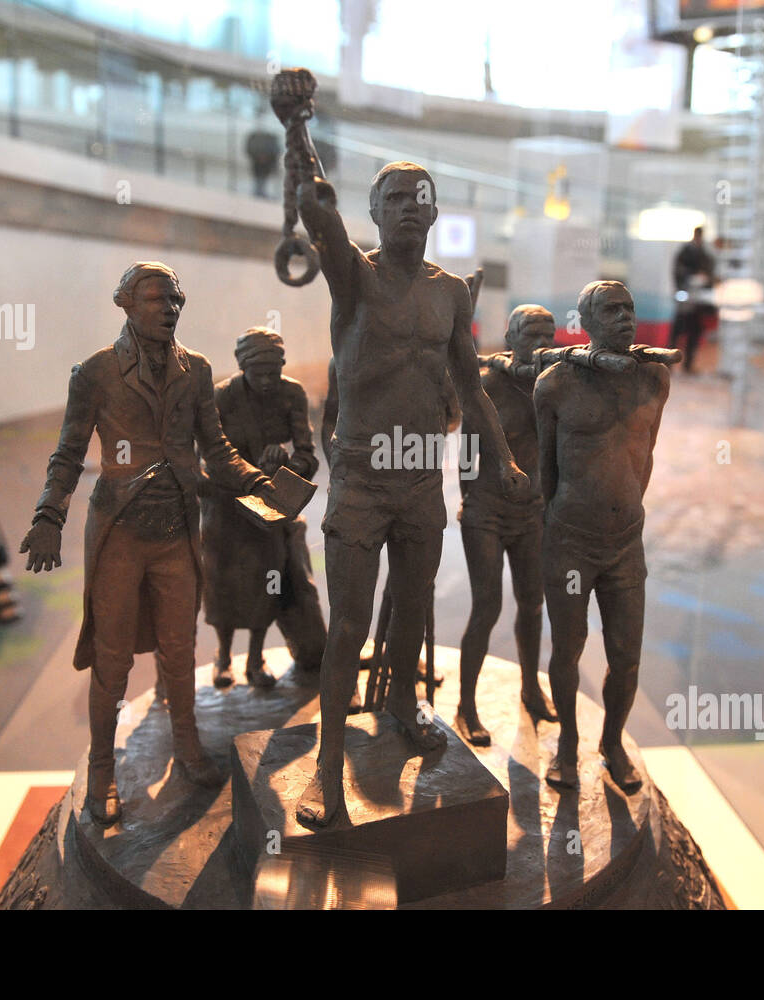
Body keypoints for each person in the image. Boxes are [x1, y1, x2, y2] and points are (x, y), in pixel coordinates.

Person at [293, 156, 529, 828]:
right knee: (348, 625)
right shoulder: (354, 277)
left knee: (413, 607)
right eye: (392, 196)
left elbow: (472, 385)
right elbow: (317, 214)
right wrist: (297, 132)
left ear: (432, 212)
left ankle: (400, 703)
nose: (406, 206)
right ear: (374, 209)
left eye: (417, 198)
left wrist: (503, 458)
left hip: (423, 472)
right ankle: (326, 761)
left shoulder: (451, 291)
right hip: (364, 476)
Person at [20, 262, 274, 826]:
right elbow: (68, 453)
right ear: (127, 305)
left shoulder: (197, 370)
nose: (170, 310)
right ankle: (103, 770)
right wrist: (48, 516)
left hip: (179, 533)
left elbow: (219, 450)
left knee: (180, 648)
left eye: (176, 302)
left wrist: (256, 480)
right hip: (120, 536)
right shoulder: (96, 372)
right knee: (110, 662)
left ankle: (187, 748)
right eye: (159, 300)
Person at [535, 281, 672, 793]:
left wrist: (625, 509)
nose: (625, 318)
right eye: (611, 310)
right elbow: (545, 469)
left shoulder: (654, 377)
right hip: (570, 539)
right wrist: (556, 523)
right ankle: (567, 742)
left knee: (626, 655)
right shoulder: (555, 385)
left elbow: (647, 453)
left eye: (629, 308)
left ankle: (611, 742)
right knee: (568, 647)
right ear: (586, 321)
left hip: (625, 543)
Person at [454, 305, 559, 747]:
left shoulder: (552, 386)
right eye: (531, 334)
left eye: (546, 336)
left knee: (533, 603)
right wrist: (473, 499)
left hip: (531, 511)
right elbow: (466, 457)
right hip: (487, 513)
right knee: (487, 606)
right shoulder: (490, 387)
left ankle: (532, 687)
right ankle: (466, 705)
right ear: (511, 336)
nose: (539, 343)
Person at [201, 327, 324, 688]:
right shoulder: (222, 397)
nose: (269, 380)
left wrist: (286, 462)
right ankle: (222, 657)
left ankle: (255, 659)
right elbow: (206, 457)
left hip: (268, 505)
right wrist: (247, 471)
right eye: (260, 373)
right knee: (222, 582)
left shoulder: (293, 393)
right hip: (224, 501)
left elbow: (308, 456)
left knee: (266, 582)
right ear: (242, 367)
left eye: (274, 371)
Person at [671, 225, 716, 373]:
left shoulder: (705, 254)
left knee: (694, 333)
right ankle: (669, 363)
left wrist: (705, 281)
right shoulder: (685, 252)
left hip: (698, 302)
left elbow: (709, 273)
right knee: (677, 332)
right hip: (686, 298)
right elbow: (678, 271)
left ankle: (688, 364)